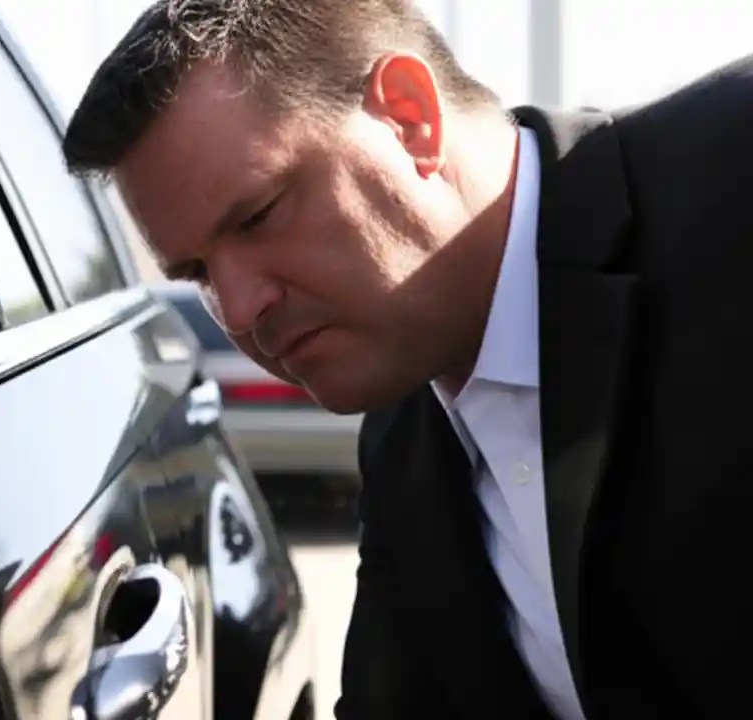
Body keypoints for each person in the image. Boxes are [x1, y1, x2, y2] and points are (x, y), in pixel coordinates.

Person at [62, 1, 753, 718]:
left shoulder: (735, 168)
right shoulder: (405, 439)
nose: (238, 311)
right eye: (199, 274)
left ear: (410, 117)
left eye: (259, 215)